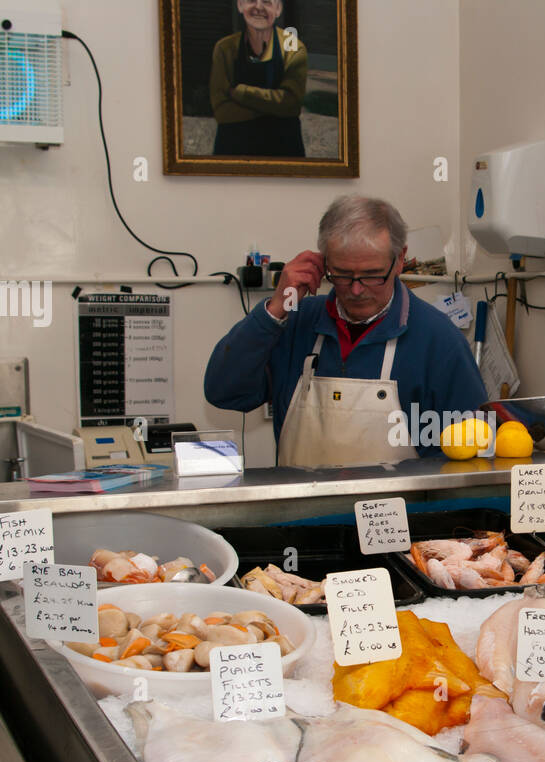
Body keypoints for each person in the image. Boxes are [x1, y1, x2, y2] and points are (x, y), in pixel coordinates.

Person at [204, 196, 488, 468]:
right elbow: (225, 393)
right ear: (322, 263)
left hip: (398, 516)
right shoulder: (295, 323)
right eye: (341, 274)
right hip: (299, 514)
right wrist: (277, 307)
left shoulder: (439, 341)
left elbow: (472, 458)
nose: (356, 289)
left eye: (373, 274)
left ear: (400, 259)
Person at [209, 0, 308, 157]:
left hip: (283, 148)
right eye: (251, 0)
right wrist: (274, 108)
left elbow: (291, 103)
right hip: (233, 148)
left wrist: (240, 92)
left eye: (267, 2)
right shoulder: (225, 48)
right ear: (240, 5)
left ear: (278, 9)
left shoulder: (292, 46)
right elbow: (221, 111)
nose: (258, 7)